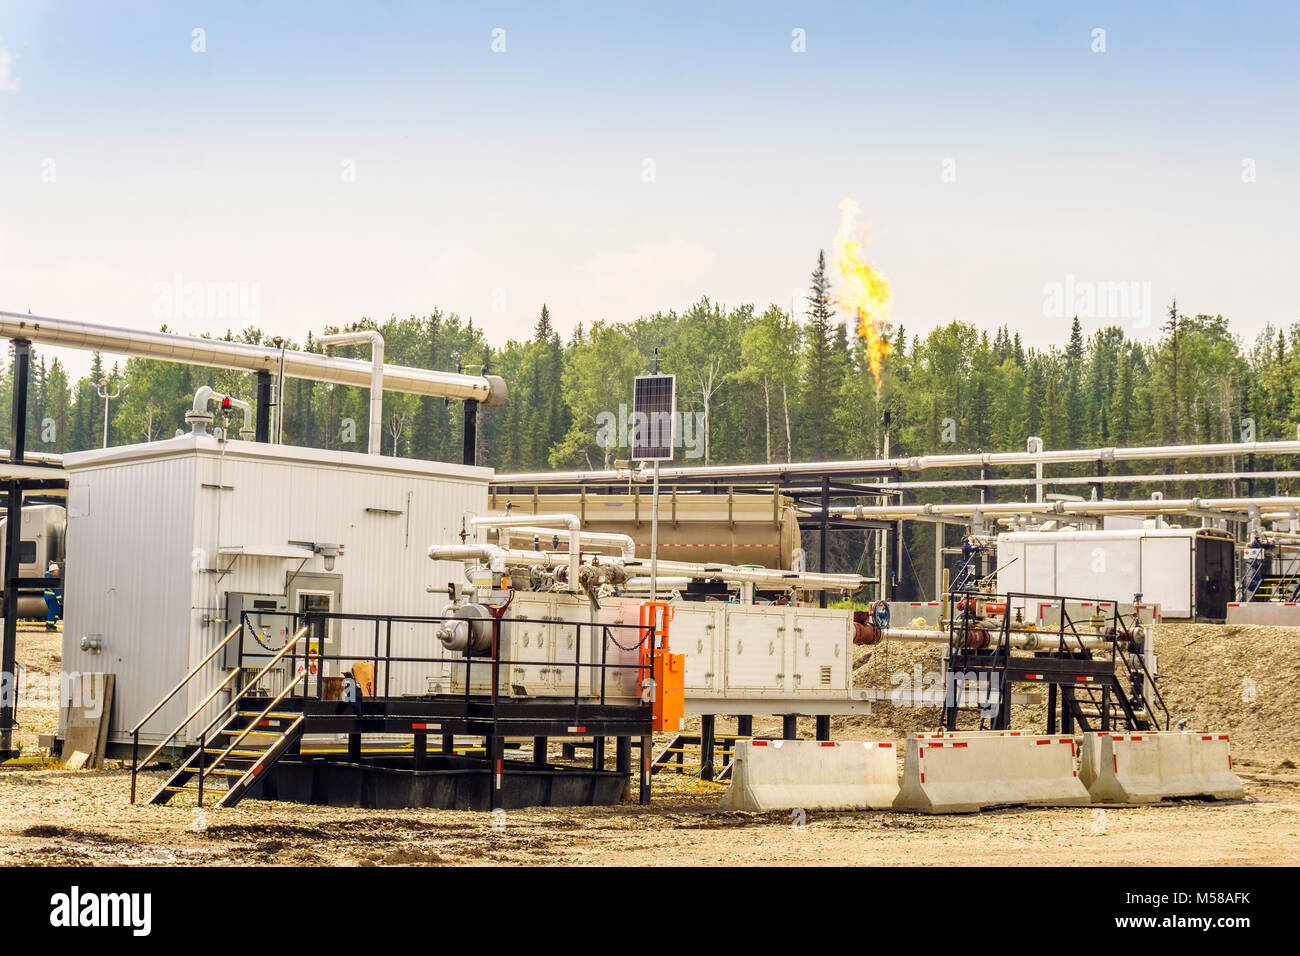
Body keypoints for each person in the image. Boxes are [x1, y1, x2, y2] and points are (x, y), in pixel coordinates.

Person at [43, 563, 62, 632]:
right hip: (51, 597)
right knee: (53, 610)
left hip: (48, 596)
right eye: (57, 571)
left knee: (56, 610)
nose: (58, 572)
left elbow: (47, 572)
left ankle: (52, 623)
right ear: (53, 572)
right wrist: (60, 600)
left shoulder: (47, 576)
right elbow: (57, 591)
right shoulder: (53, 580)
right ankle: (49, 625)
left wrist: (49, 566)